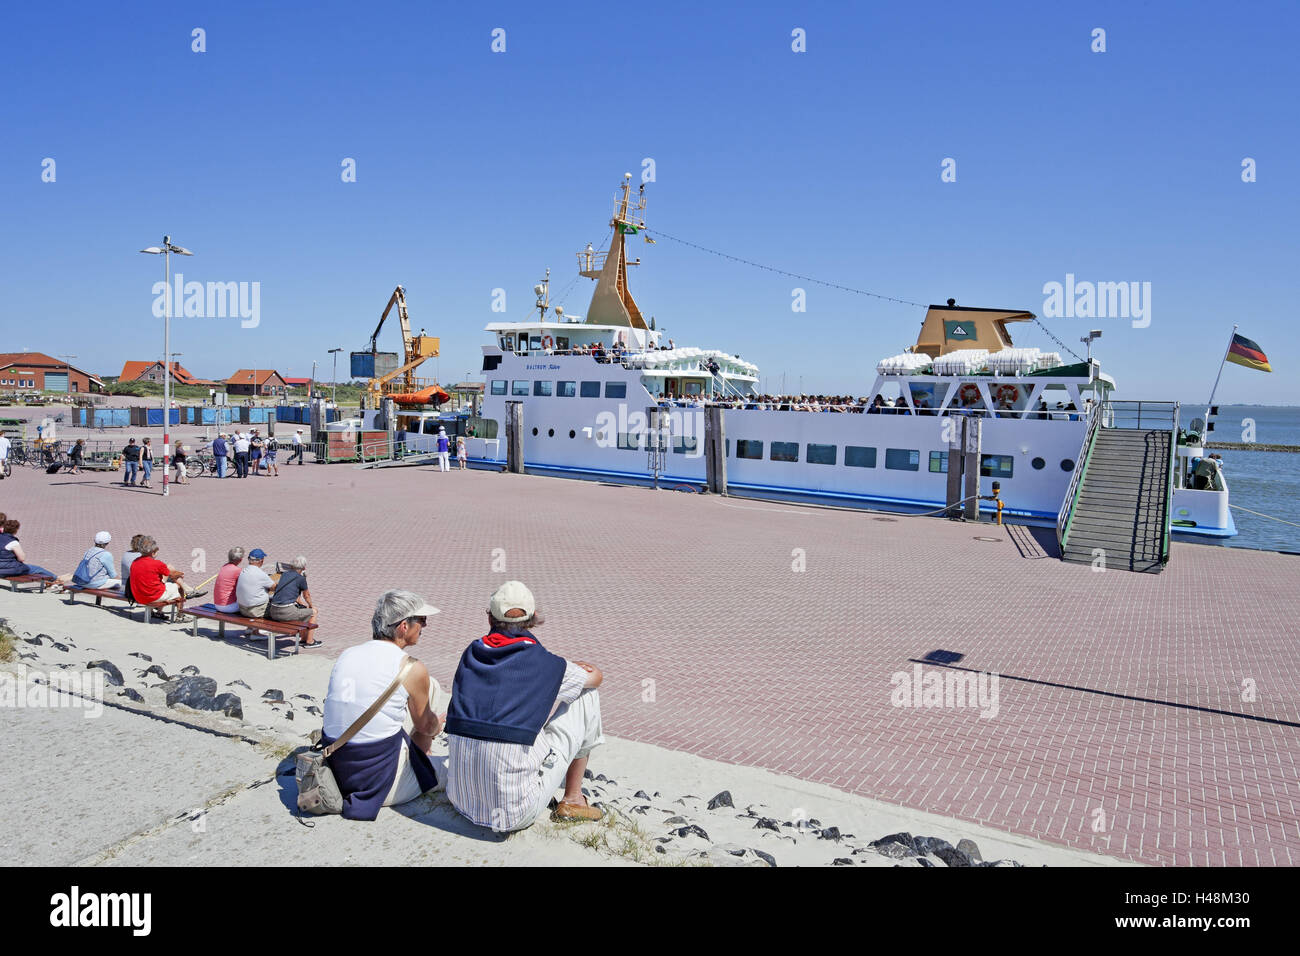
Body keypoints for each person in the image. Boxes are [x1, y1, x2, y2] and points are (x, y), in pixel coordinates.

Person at [445, 580, 605, 832]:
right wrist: (570, 667)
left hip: (460, 800)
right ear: (533, 620)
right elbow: (595, 677)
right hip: (513, 815)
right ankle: (573, 799)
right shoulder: (546, 664)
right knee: (587, 695)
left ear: (490, 618)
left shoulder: (471, 653)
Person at [320, 590, 443, 820]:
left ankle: (419, 755)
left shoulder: (347, 654)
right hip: (376, 784)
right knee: (447, 772)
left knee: (428, 687)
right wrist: (437, 728)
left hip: (335, 769)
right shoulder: (411, 667)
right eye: (422, 621)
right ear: (404, 626)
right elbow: (426, 726)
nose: (424, 627)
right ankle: (421, 762)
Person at [266, 554, 322, 646]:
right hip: (285, 612)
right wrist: (311, 606)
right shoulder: (301, 579)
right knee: (313, 612)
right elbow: (306, 595)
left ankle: (303, 639)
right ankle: (309, 641)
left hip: (273, 610)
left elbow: (293, 595)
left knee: (302, 610)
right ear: (304, 568)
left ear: (291, 566)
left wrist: (303, 605)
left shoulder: (284, 575)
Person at [128, 536, 189, 612]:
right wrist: (181, 574)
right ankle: (180, 614)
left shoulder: (135, 562)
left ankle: (159, 612)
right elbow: (172, 574)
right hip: (153, 597)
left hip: (138, 596)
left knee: (166, 584)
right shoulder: (157, 564)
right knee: (178, 586)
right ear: (153, 553)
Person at [235, 548, 278, 623]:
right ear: (261, 560)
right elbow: (275, 587)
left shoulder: (243, 571)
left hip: (242, 609)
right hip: (256, 611)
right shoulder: (260, 573)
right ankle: (258, 631)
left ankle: (251, 629)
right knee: (280, 610)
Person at [212, 547, 244, 613]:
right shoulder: (238, 570)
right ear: (240, 560)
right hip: (229, 606)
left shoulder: (224, 566)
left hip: (217, 604)